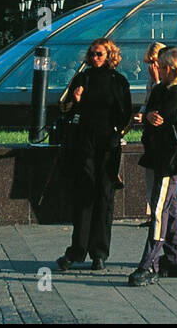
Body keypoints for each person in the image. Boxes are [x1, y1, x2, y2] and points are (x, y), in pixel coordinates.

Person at [56, 38, 132, 271]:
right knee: (84, 196)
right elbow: (64, 107)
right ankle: (77, 250)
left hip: (108, 144)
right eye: (92, 54)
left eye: (99, 54)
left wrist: (117, 133)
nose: (95, 58)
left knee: (104, 196)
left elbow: (127, 113)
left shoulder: (118, 81)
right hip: (85, 143)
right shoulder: (83, 77)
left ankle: (99, 253)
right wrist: (74, 100)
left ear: (110, 55)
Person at [128, 48, 177, 287]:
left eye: (160, 66)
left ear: (168, 68)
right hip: (169, 158)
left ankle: (148, 265)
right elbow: (152, 114)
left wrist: (152, 119)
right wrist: (149, 117)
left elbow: (166, 123)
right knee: (173, 207)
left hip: (168, 159)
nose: (156, 68)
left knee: (159, 210)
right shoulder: (170, 89)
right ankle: (175, 259)